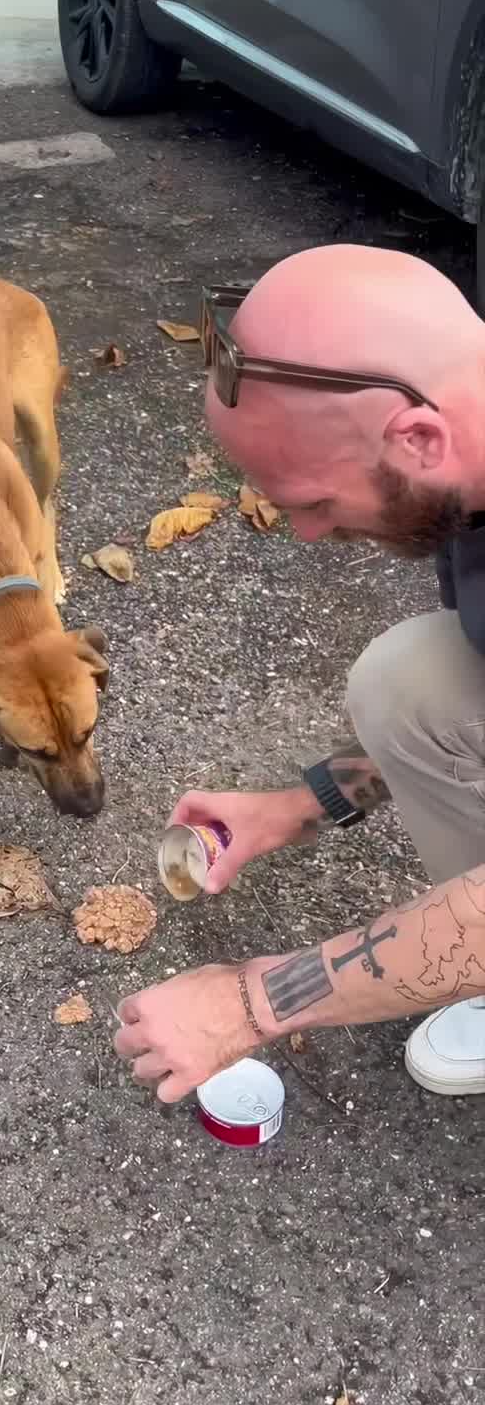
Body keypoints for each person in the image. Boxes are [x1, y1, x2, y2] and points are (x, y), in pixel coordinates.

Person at [114, 244, 485, 1103]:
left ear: (419, 437)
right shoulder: (463, 463)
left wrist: (252, 1002)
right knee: (412, 677)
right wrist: (299, 808)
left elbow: (256, 1004)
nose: (309, 535)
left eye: (314, 502)